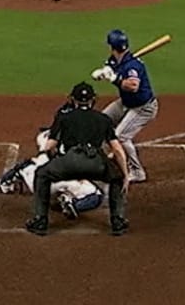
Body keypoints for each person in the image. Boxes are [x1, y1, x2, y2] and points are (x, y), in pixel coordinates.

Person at [24, 81, 131, 237]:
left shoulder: (64, 117)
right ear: (93, 100)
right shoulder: (103, 119)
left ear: (73, 100)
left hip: (69, 162)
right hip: (96, 162)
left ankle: (40, 221)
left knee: (42, 175)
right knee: (116, 178)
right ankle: (117, 221)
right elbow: (117, 149)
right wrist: (125, 175)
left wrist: (53, 157)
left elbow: (49, 146)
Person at [0, 124, 109, 219]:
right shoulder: (77, 144)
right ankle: (73, 204)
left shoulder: (44, 138)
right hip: (61, 181)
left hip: (35, 182)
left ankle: (5, 182)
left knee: (29, 164)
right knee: (96, 195)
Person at [91, 29, 158, 183]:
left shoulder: (132, 66)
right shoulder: (116, 60)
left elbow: (133, 86)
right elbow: (110, 66)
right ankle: (105, 159)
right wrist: (104, 72)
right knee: (102, 121)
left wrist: (114, 79)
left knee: (121, 137)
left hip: (143, 108)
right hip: (126, 103)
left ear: (112, 46)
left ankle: (137, 171)